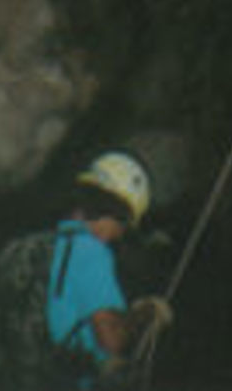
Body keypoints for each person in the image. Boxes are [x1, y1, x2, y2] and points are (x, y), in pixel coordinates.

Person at [46, 151, 173, 388]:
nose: (120, 234)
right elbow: (111, 339)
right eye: (124, 224)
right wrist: (147, 313)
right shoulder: (91, 252)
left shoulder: (54, 244)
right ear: (116, 212)